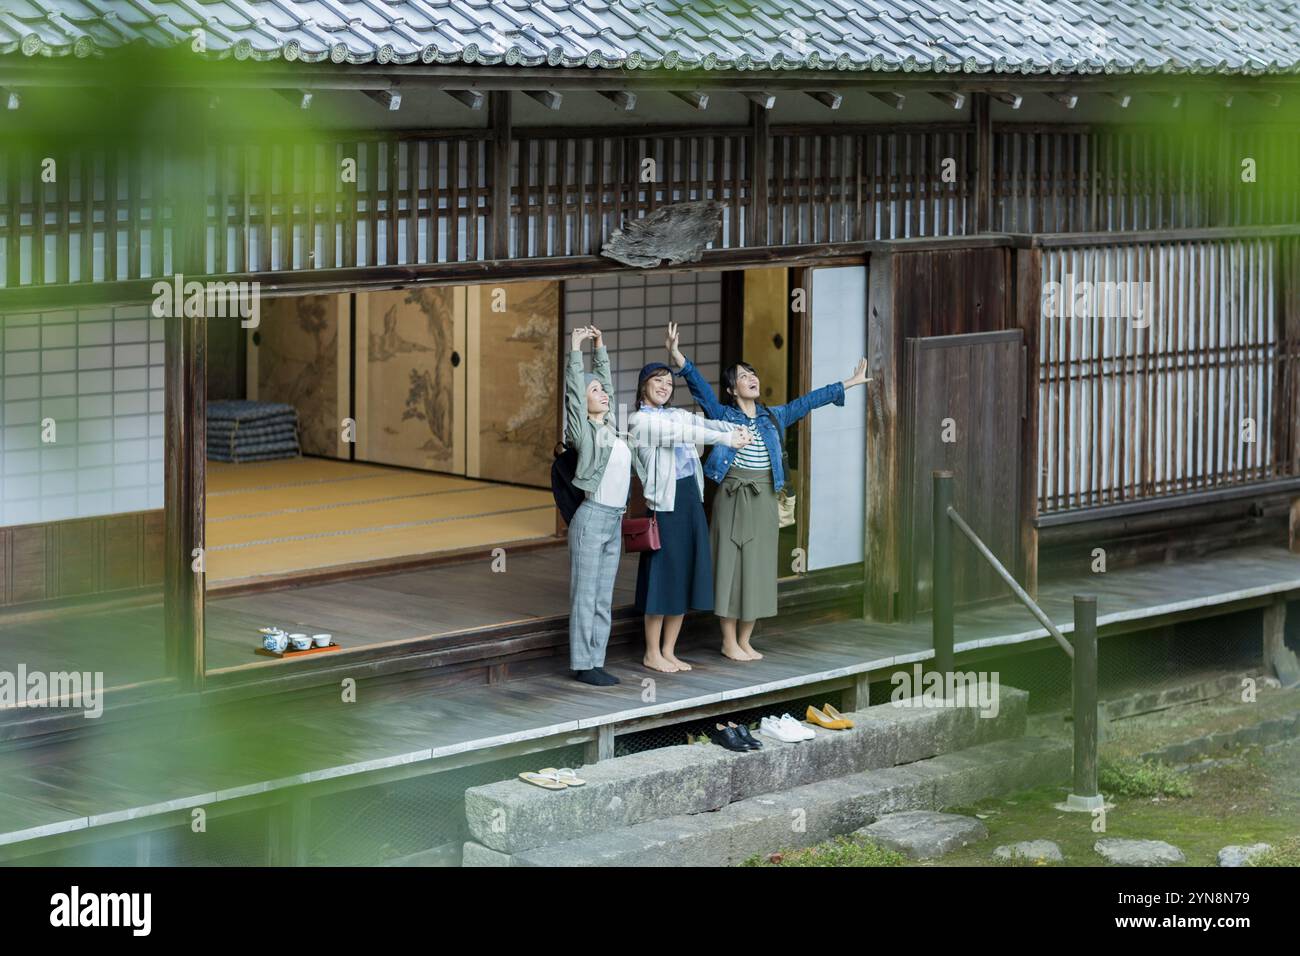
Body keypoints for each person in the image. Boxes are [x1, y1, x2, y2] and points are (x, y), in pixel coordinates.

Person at [671, 333, 870, 661]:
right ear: (733, 390)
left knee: (759, 567)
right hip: (733, 495)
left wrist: (848, 383)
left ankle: (746, 639)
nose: (751, 378)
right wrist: (679, 359)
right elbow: (700, 391)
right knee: (729, 566)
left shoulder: (773, 416)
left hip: (764, 497)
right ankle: (728, 640)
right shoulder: (723, 414)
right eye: (742, 377)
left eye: (753, 374)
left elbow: (807, 402)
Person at [628, 323, 753, 673]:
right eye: (658, 382)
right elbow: (685, 433)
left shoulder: (676, 414)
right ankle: (651, 652)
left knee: (684, 572)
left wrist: (733, 429)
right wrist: (728, 440)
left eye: (669, 382)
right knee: (662, 577)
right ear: (644, 387)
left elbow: (705, 425)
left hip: (689, 499)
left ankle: (669, 650)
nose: (665, 387)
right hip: (664, 504)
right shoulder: (641, 421)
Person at [564, 325, 631, 686]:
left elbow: (603, 380)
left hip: (615, 522)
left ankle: (597, 660)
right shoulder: (583, 432)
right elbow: (576, 393)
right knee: (585, 595)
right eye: (595, 391)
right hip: (591, 519)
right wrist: (576, 348)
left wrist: (601, 346)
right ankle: (581, 663)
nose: (602, 393)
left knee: (604, 597)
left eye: (603, 390)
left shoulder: (612, 428)